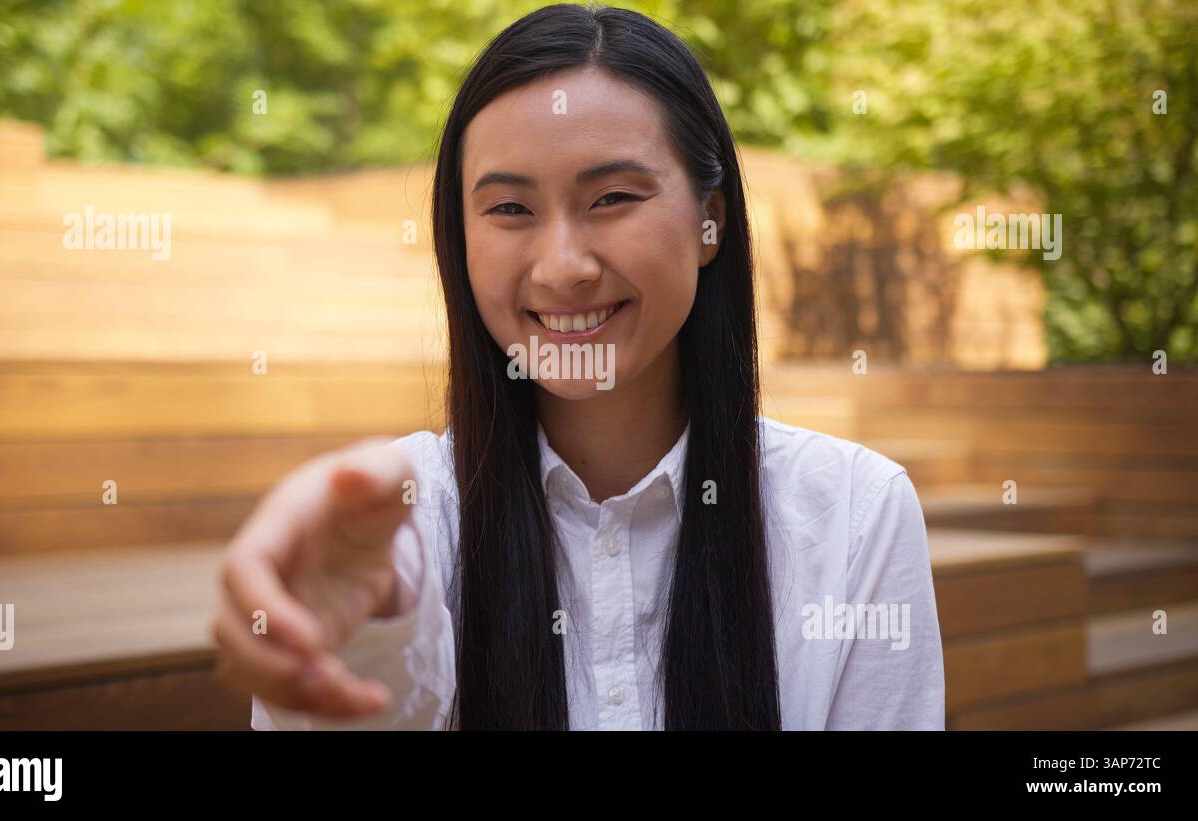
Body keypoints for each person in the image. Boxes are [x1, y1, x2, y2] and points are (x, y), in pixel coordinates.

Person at [211, 2, 945, 731]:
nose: (563, 268)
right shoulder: (399, 528)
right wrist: (367, 626)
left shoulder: (854, 511)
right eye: (509, 209)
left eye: (613, 197)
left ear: (709, 221)